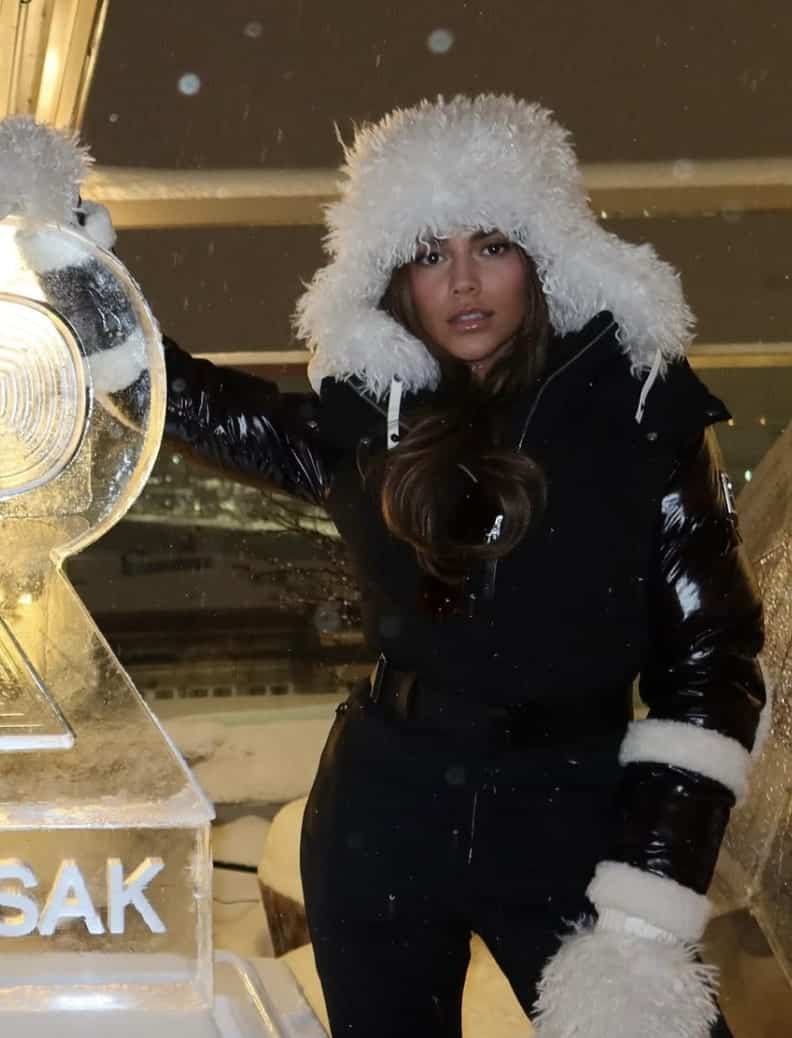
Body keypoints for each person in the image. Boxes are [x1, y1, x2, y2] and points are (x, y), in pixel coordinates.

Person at [18, 98, 764, 1037]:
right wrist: (61, 255)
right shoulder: (371, 424)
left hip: (576, 817)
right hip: (386, 809)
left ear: (543, 253)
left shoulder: (641, 414)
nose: (462, 281)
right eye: (427, 253)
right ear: (392, 276)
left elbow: (713, 668)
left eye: (491, 244)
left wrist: (648, 914)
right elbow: (178, 397)